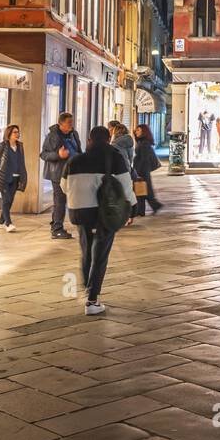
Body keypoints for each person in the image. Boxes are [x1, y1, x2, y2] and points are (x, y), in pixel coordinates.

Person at [62, 126, 137, 315]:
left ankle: (88, 287)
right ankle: (92, 300)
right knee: (100, 255)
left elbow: (64, 185)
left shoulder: (75, 160)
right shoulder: (115, 157)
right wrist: (132, 209)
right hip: (103, 213)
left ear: (90, 139)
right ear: (108, 138)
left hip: (79, 212)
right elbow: (126, 187)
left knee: (86, 250)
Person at [40, 112, 82, 240]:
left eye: (72, 122)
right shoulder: (53, 136)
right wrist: (58, 155)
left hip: (73, 173)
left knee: (71, 200)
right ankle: (57, 229)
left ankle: (56, 224)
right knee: (60, 201)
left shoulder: (74, 134)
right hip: (58, 174)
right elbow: (43, 154)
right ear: (61, 123)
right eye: (69, 122)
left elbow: (78, 150)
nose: (71, 125)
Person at [0, 124, 27, 232]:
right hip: (4, 177)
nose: (17, 134)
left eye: (18, 132)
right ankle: (8, 223)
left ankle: (1, 222)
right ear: (9, 134)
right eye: (15, 132)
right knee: (6, 200)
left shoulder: (20, 146)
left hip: (16, 177)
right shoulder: (2, 146)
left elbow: (21, 162)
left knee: (10, 201)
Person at [131, 123, 162, 216]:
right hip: (142, 169)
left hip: (142, 170)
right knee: (142, 190)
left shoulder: (144, 143)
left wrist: (138, 172)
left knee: (143, 190)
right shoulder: (141, 141)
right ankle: (143, 210)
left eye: (138, 130)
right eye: (136, 130)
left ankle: (153, 206)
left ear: (144, 132)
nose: (136, 132)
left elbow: (144, 159)